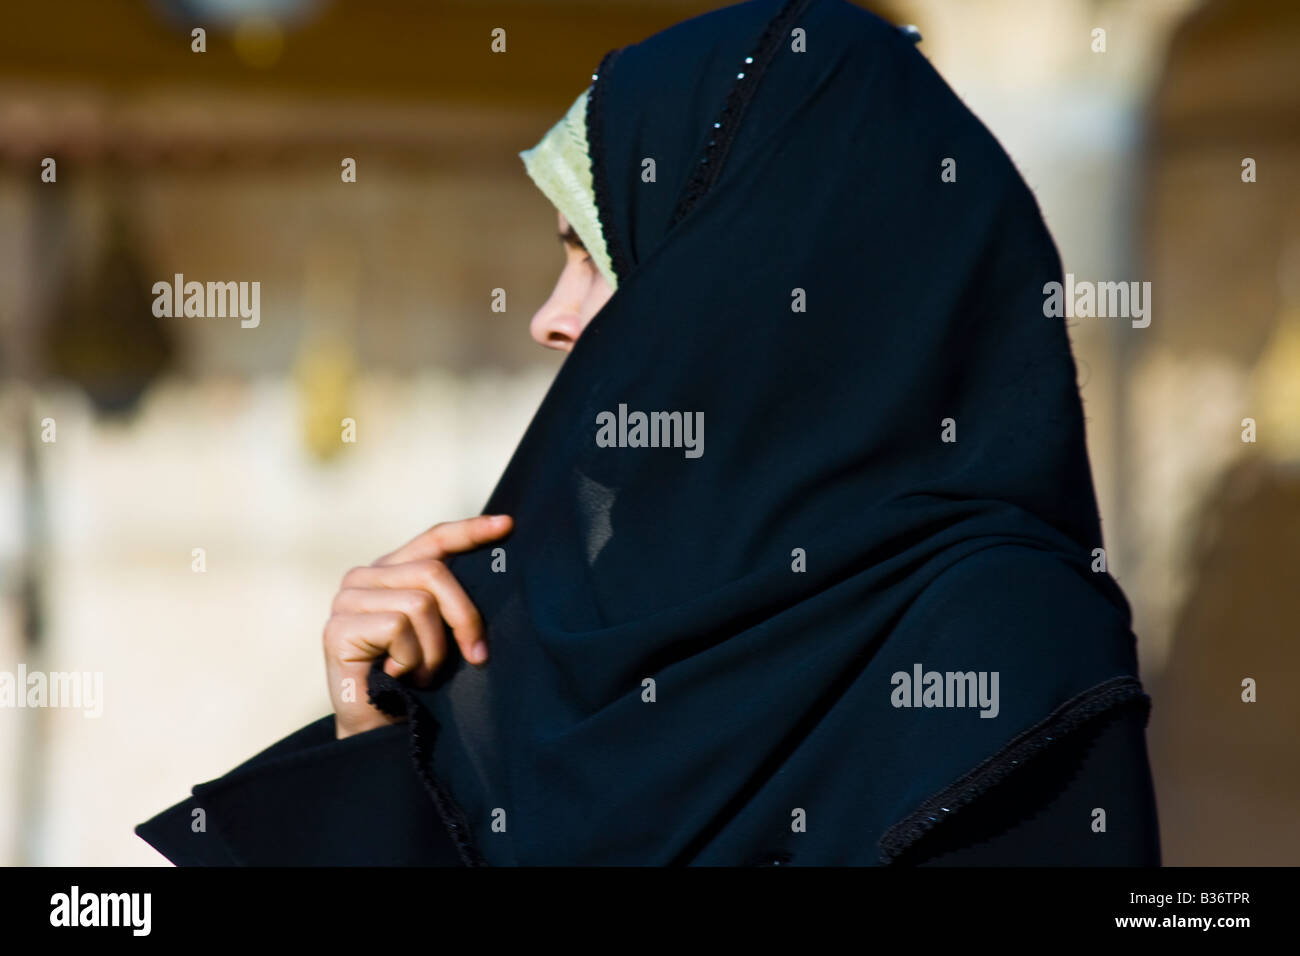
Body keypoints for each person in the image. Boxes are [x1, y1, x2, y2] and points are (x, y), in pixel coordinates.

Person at [136, 0, 1160, 866]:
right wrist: (373, 737)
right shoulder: (547, 642)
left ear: (736, 277)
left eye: (594, 254)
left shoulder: (1000, 647)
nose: (550, 317)